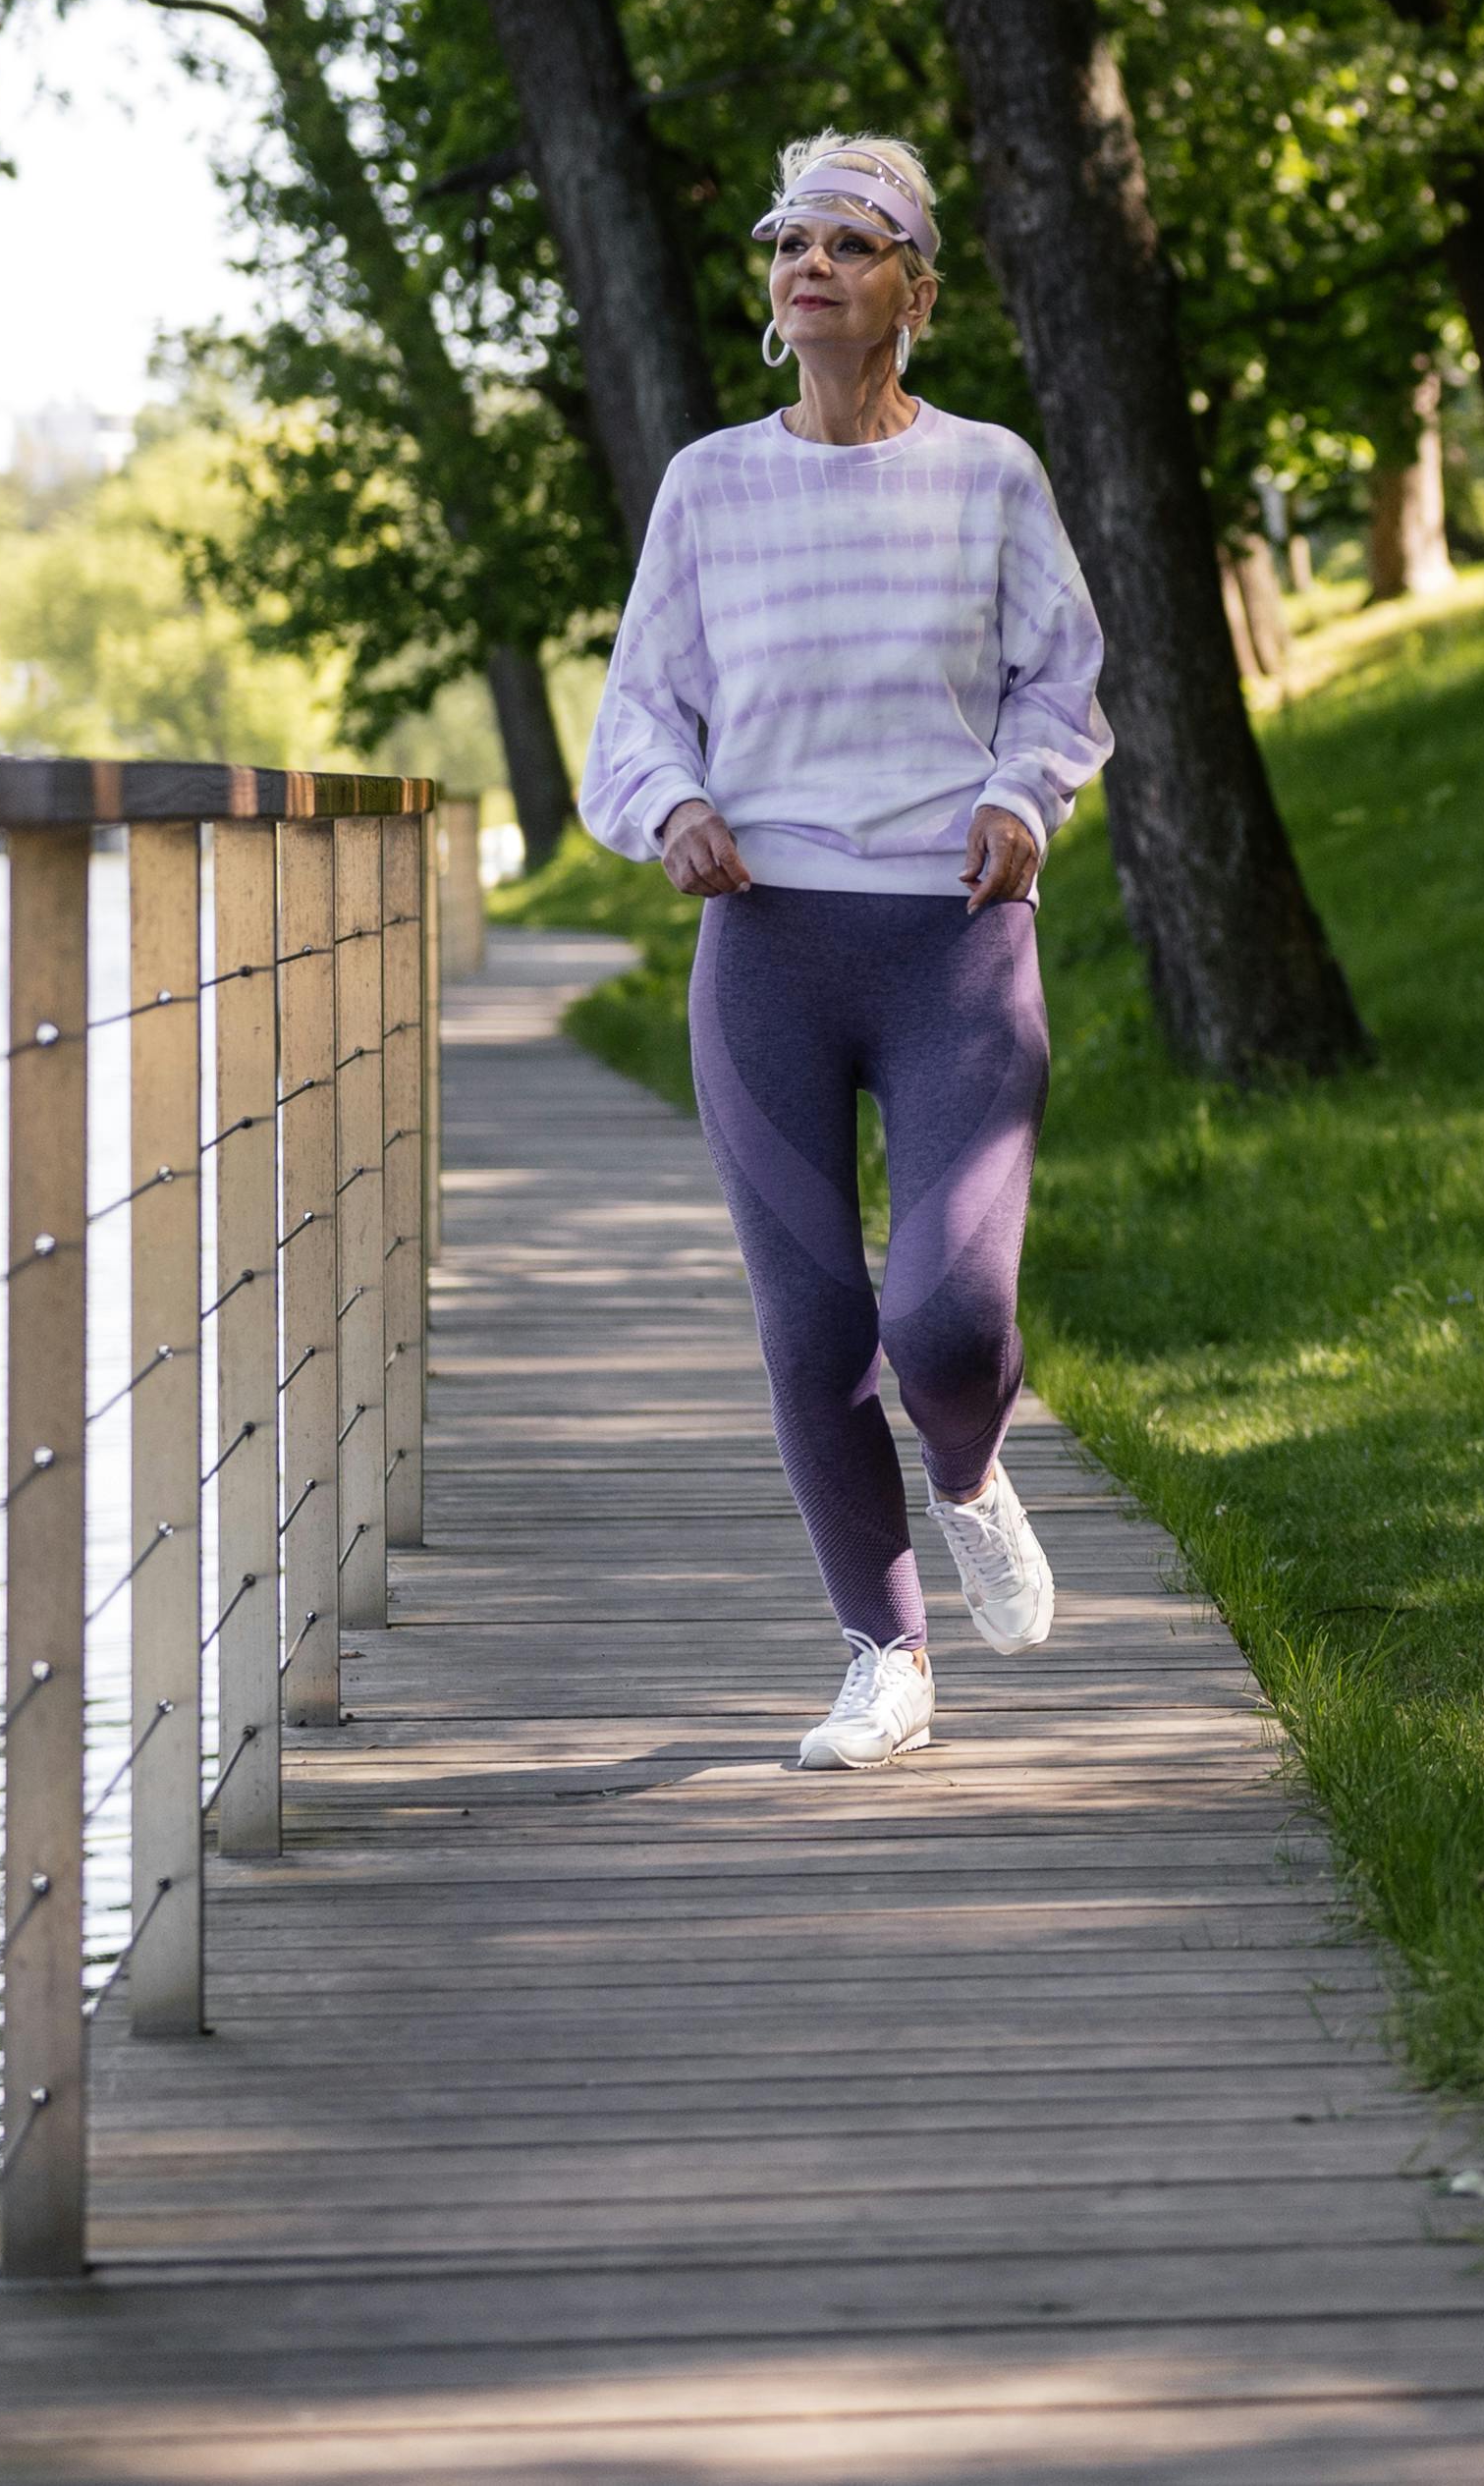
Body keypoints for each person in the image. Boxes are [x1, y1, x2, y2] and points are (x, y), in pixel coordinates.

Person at [581, 132, 1104, 1770]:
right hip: (768, 949)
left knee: (945, 1322)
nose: (811, 262)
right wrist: (670, 809)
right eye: (790, 240)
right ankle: (887, 1657)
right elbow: (638, 709)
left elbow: (1059, 680)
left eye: (852, 243)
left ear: (912, 295)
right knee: (814, 1335)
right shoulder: (709, 487)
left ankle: (966, 1470)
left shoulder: (991, 473)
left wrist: (1025, 794)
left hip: (954, 941)